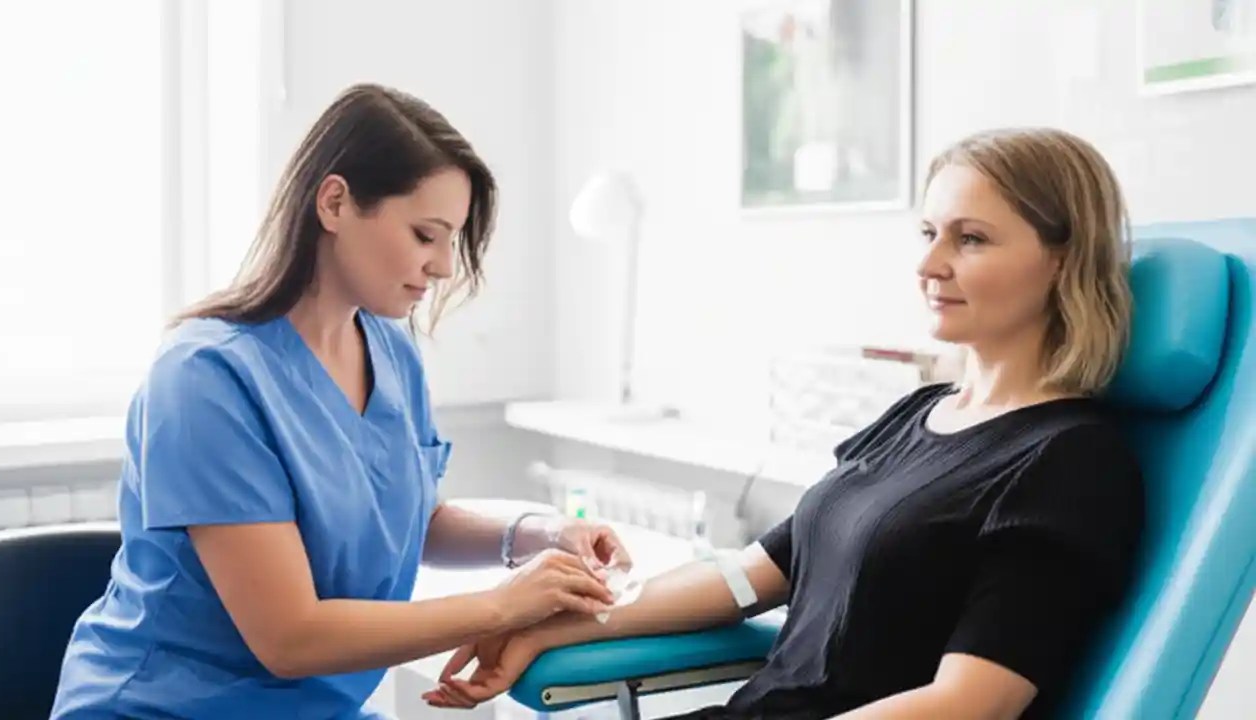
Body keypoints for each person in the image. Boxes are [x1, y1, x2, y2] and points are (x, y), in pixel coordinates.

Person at [422, 127, 1146, 720]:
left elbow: (971, 705)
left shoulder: (1071, 463)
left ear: (1062, 260)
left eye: (971, 239)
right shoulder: (917, 415)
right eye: (928, 231)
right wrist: (546, 625)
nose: (929, 263)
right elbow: (748, 578)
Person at [50, 83, 630, 720]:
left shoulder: (389, 351)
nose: (441, 267)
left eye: (451, 241)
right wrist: (501, 605)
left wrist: (540, 535)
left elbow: (407, 521)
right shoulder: (204, 380)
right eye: (424, 234)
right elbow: (289, 638)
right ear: (334, 202)